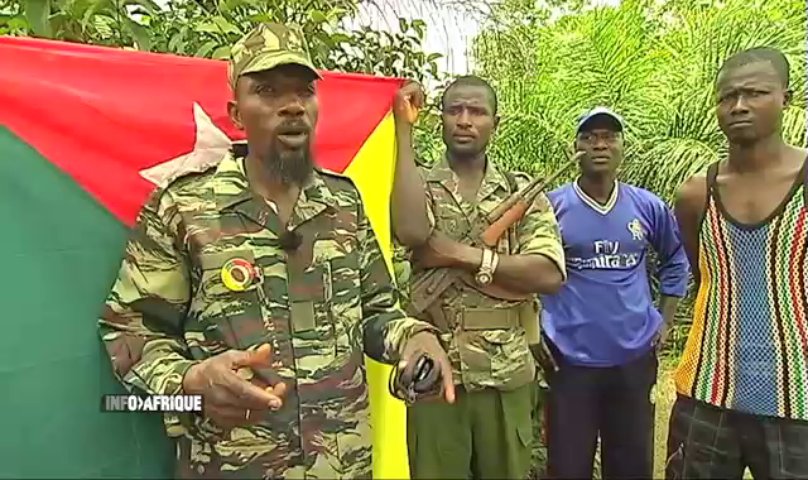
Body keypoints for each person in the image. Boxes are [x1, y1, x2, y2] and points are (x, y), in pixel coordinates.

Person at [97, 23, 454, 479]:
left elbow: (376, 311)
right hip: (233, 465)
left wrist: (416, 338)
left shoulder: (343, 203)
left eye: (303, 92)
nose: (291, 106)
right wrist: (190, 386)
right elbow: (129, 333)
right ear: (236, 113)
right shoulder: (185, 208)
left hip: (342, 464)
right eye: (267, 91)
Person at [390, 75, 567, 479]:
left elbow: (548, 272)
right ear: (440, 120)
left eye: (477, 112)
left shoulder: (520, 192)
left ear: (495, 123)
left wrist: (457, 254)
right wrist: (404, 130)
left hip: (506, 373)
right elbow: (414, 233)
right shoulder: (416, 186)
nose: (465, 120)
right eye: (454, 111)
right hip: (434, 372)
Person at [666, 46, 808, 479]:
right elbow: (706, 274)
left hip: (798, 397)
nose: (739, 106)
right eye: (728, 97)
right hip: (708, 392)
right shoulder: (695, 195)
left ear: (786, 97)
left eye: (755, 93)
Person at [539, 107, 690, 479]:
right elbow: (525, 270)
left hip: (633, 359)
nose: (600, 145)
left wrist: (665, 319)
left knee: (631, 465)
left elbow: (676, 256)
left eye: (609, 137)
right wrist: (534, 327)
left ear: (622, 147)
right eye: (590, 138)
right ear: (574, 147)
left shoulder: (646, 206)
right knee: (569, 466)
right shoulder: (551, 207)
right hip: (569, 360)